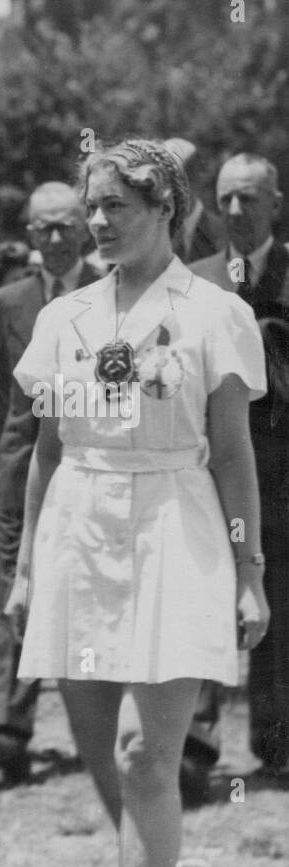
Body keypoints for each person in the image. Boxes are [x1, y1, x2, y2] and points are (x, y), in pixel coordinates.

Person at [8, 139, 267, 867]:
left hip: (174, 524)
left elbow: (233, 455)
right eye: (93, 205)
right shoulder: (65, 317)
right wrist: (27, 563)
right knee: (92, 738)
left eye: (117, 205)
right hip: (78, 523)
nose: (99, 221)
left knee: (141, 755)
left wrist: (250, 572)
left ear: (167, 209)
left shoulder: (215, 313)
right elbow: (44, 452)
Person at [0, 183, 100, 781]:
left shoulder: (111, 290)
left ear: (85, 227)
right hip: (20, 466)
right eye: (42, 227)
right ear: (28, 234)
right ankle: (8, 728)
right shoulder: (9, 300)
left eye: (65, 226)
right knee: (14, 594)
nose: (54, 238)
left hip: (90, 466)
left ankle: (98, 727)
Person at [189, 153, 289, 786]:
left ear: (275, 204)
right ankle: (195, 743)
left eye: (249, 198)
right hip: (205, 469)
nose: (234, 211)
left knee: (275, 604)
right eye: (225, 198)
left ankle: (275, 744)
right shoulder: (194, 281)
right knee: (200, 600)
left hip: (280, 473)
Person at [165, 138, 226, 264]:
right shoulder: (145, 237)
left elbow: (238, 282)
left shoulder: (227, 237)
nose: (172, 189)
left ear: (199, 176)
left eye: (181, 178)